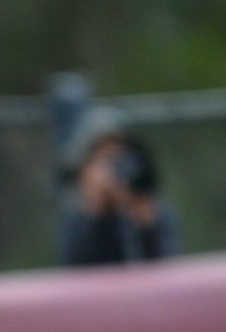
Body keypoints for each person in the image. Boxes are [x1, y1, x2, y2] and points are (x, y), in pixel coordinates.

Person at [59, 106, 180, 266]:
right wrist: (97, 212)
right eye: (105, 159)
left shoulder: (153, 208)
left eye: (121, 158)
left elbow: (169, 267)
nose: (115, 169)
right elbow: (75, 273)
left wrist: (146, 224)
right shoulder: (76, 217)